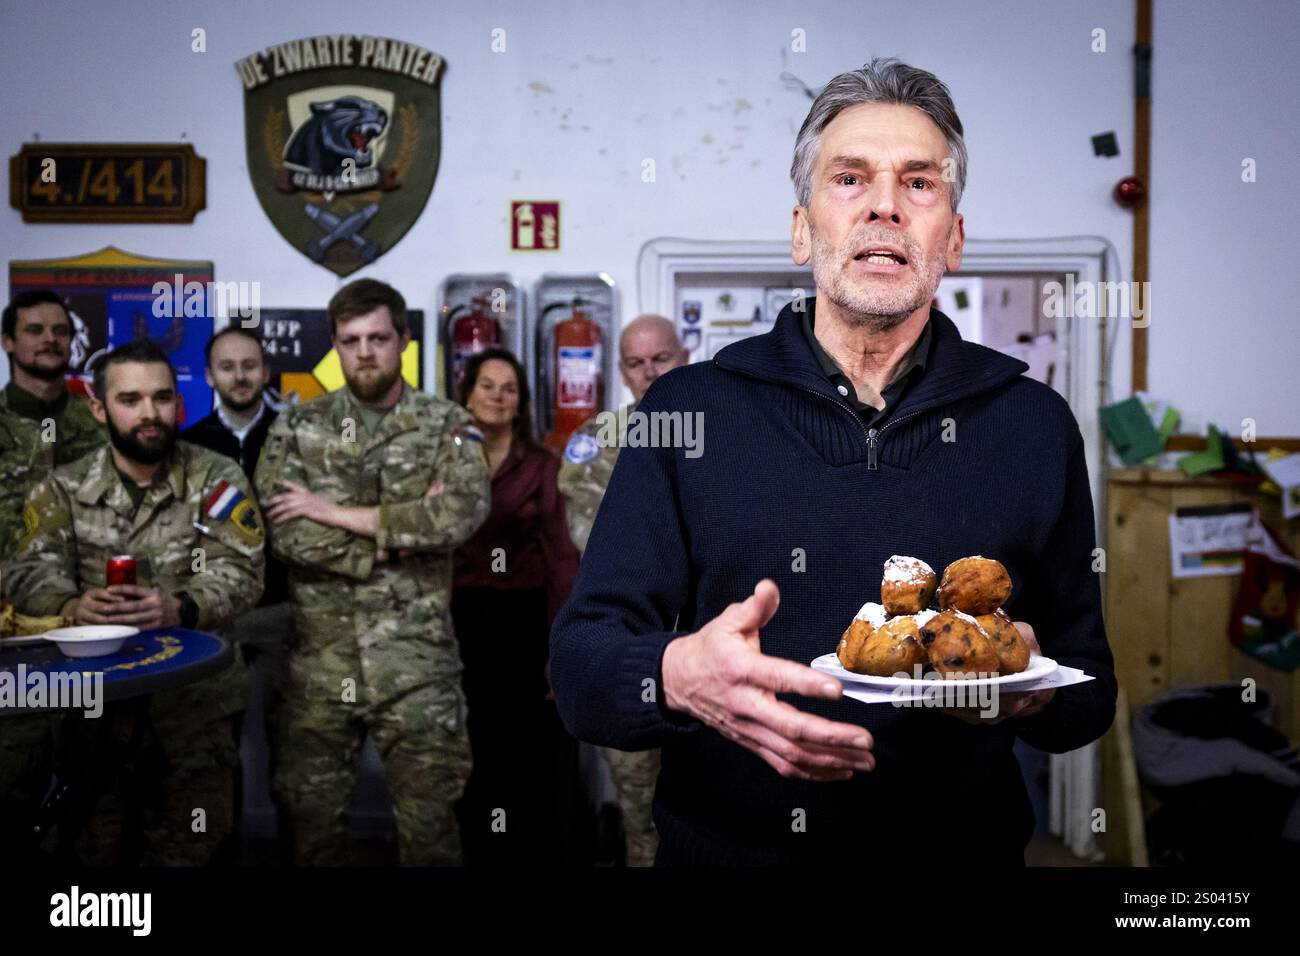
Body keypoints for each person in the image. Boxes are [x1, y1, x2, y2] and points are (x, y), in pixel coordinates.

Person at [549, 58, 1118, 865]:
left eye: (920, 184)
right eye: (850, 178)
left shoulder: (1034, 425)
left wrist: (1019, 691)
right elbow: (581, 669)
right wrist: (678, 673)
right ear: (801, 229)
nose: (886, 204)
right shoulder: (682, 413)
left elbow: (1089, 695)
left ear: (952, 237)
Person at [255, 278, 490, 865]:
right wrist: (388, 542)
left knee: (431, 828)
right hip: (318, 664)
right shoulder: (296, 427)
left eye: (379, 337)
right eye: (350, 340)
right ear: (335, 346)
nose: (365, 352)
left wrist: (330, 512)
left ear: (404, 341)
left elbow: (457, 515)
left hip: (417, 664)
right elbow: (278, 529)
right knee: (311, 829)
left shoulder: (448, 425)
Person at [6, 339, 265, 865]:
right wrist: (75, 606)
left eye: (162, 397)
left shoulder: (217, 478)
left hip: (194, 708)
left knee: (193, 846)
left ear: (179, 402)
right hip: (92, 712)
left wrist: (178, 608)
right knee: (93, 853)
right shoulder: (63, 486)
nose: (150, 413)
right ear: (99, 407)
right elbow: (30, 570)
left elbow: (242, 570)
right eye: (130, 400)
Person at [556, 314, 688, 866]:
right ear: (621, 370)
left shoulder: (731, 432)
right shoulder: (596, 442)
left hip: (727, 655)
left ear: (684, 357)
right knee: (642, 819)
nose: (649, 372)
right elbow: (600, 545)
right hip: (637, 658)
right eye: (635, 363)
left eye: (660, 359)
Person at [451, 347, 584, 865]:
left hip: (525, 623)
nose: (498, 397)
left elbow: (561, 561)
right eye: (488, 385)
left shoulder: (543, 466)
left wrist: (562, 645)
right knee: (470, 747)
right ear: (467, 393)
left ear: (521, 401)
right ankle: (480, 853)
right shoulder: (445, 460)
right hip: (460, 620)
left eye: (509, 388)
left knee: (530, 751)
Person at [0, 289, 104, 853]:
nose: (49, 340)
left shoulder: (103, 425)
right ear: (8, 341)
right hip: (8, 644)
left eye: (60, 331)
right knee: (12, 785)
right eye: (34, 330)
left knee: (94, 788)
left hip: (88, 632)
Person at [181, 324, 291, 851]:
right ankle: (223, 850)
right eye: (227, 366)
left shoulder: (297, 436)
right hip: (215, 618)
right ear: (209, 375)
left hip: (283, 613)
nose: (240, 376)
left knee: (290, 745)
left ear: (265, 371)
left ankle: (290, 851)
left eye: (250, 365)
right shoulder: (189, 445)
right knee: (214, 746)